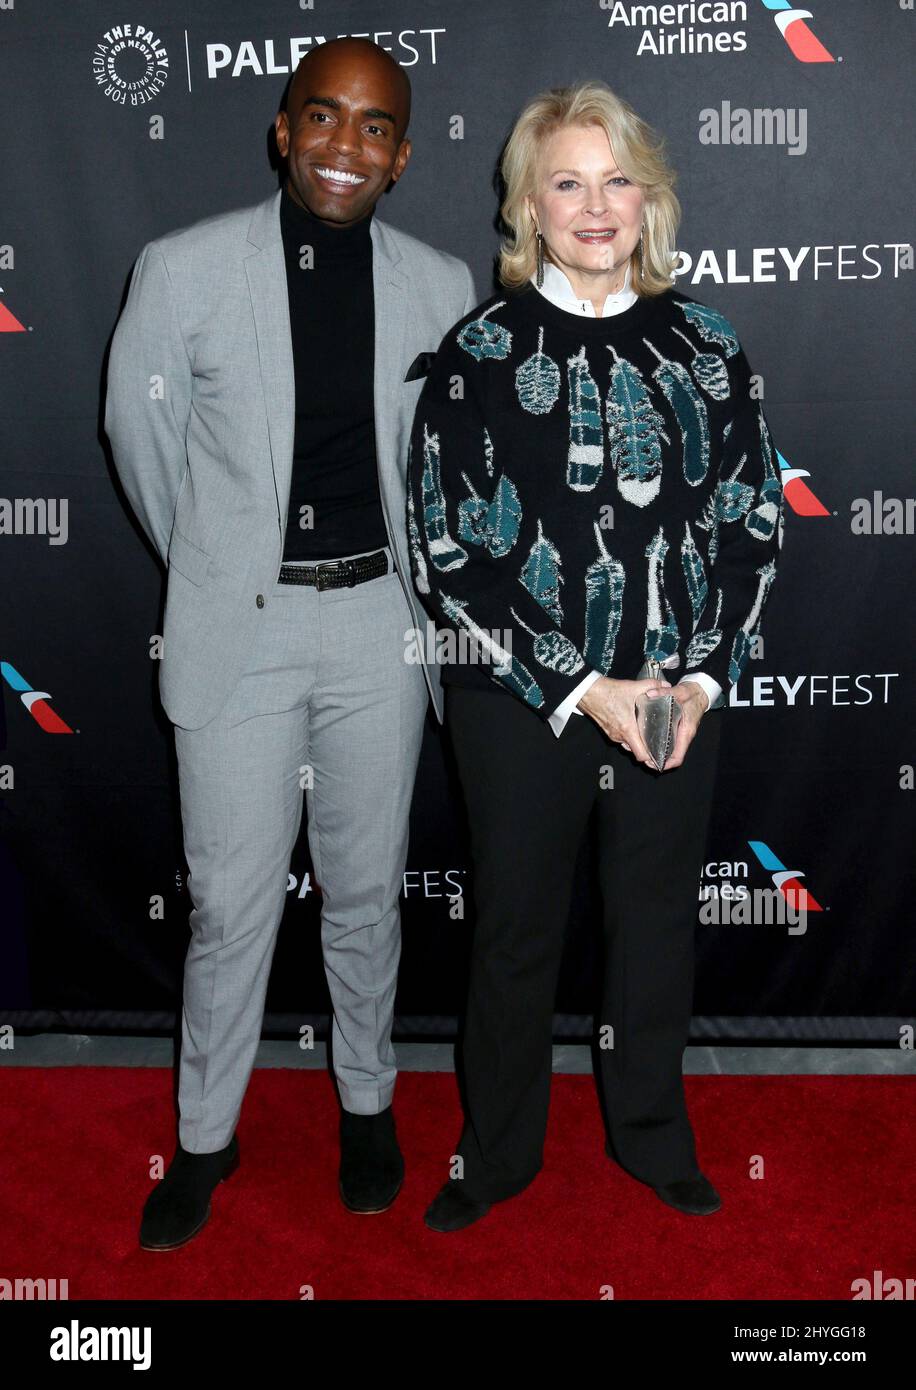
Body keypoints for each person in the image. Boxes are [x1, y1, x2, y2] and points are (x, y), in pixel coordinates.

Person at [105, 37, 475, 1250]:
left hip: (382, 629)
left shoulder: (440, 283)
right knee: (230, 906)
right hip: (240, 634)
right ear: (282, 128)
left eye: (373, 128)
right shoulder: (183, 268)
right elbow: (142, 447)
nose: (343, 146)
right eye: (323, 117)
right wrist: (218, 570)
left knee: (367, 897)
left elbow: (438, 472)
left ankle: (366, 1106)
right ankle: (205, 1138)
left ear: (402, 155)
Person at [407, 80, 785, 1232]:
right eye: (565, 180)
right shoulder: (478, 351)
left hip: (675, 698)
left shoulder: (707, 342)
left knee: (656, 923)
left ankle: (652, 1134)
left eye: (616, 178)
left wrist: (702, 678)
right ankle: (498, 1152)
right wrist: (580, 686)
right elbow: (448, 550)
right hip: (525, 702)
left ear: (649, 197)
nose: (594, 203)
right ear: (525, 203)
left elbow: (752, 517)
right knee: (516, 929)